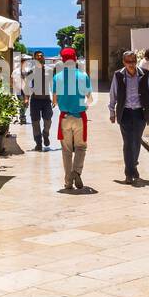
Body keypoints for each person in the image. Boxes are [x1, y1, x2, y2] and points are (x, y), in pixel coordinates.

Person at [109, 48, 149, 183]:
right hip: (124, 113)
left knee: (136, 141)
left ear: (136, 61)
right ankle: (129, 172)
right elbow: (113, 94)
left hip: (140, 113)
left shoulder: (145, 74)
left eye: (133, 61)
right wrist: (112, 112)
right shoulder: (118, 75)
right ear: (124, 62)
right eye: (128, 61)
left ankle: (133, 165)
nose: (131, 63)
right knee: (127, 142)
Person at [52, 46, 93, 192]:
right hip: (80, 117)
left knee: (66, 150)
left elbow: (54, 100)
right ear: (75, 59)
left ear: (63, 61)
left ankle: (68, 181)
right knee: (81, 147)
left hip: (64, 118)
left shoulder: (57, 77)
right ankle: (76, 172)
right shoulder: (83, 76)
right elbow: (89, 97)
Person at [26, 50, 53, 150]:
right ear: (34, 59)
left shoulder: (49, 70)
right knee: (35, 122)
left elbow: (53, 85)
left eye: (41, 56)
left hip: (46, 100)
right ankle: (38, 142)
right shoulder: (31, 71)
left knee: (48, 120)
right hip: (35, 100)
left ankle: (45, 134)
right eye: (37, 56)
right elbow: (27, 86)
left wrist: (55, 98)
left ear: (44, 58)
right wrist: (26, 98)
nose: (40, 58)